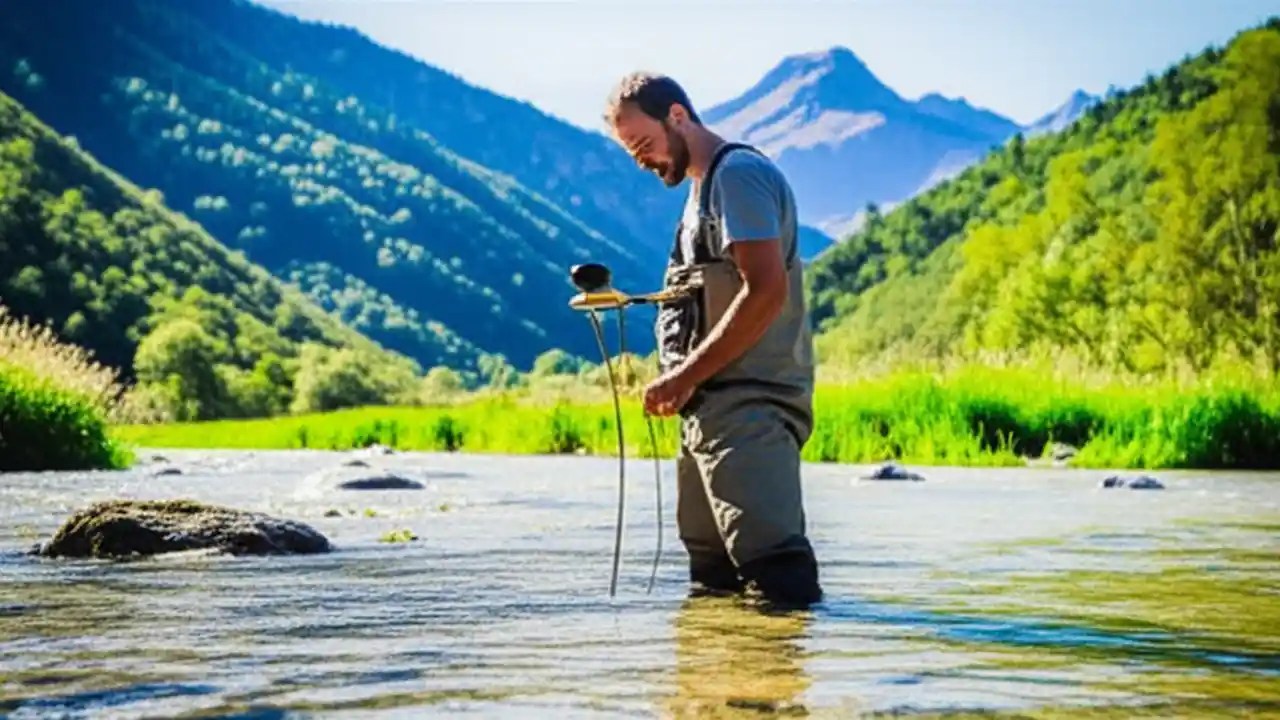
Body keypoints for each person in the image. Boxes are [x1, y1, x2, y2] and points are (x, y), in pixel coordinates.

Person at [602, 71, 822, 609]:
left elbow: (764, 292)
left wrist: (683, 374)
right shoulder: (699, 194)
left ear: (677, 116)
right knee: (712, 580)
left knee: (777, 578)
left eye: (645, 146)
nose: (644, 162)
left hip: (750, 408)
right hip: (706, 411)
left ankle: (778, 691)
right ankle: (712, 688)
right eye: (632, 154)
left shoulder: (739, 176)